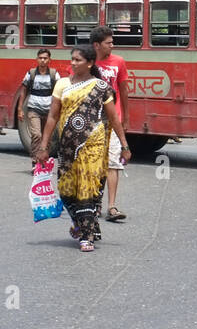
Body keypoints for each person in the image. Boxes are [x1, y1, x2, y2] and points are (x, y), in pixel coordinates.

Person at [33, 44, 132, 251]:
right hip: (67, 147)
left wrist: (124, 145)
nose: (73, 63)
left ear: (89, 63)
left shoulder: (101, 87)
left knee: (87, 188)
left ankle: (85, 235)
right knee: (66, 190)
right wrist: (43, 145)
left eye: (78, 60)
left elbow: (113, 118)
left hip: (94, 146)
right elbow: (52, 116)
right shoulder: (61, 84)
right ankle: (82, 223)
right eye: (72, 59)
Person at [90, 26, 132, 221]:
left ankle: (112, 206)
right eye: (109, 43)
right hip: (91, 121)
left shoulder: (119, 62)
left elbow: (123, 91)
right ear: (97, 45)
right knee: (93, 163)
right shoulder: (85, 61)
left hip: (114, 119)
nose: (112, 46)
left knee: (113, 163)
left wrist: (126, 119)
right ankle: (93, 203)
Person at [18, 49, 57, 157]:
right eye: (40, 58)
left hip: (49, 111)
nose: (43, 60)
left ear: (49, 60)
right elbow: (23, 90)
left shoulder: (54, 74)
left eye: (45, 58)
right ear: (37, 59)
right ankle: (35, 160)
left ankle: (43, 161)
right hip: (34, 109)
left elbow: (59, 92)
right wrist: (20, 109)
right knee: (36, 135)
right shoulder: (31, 73)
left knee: (47, 136)